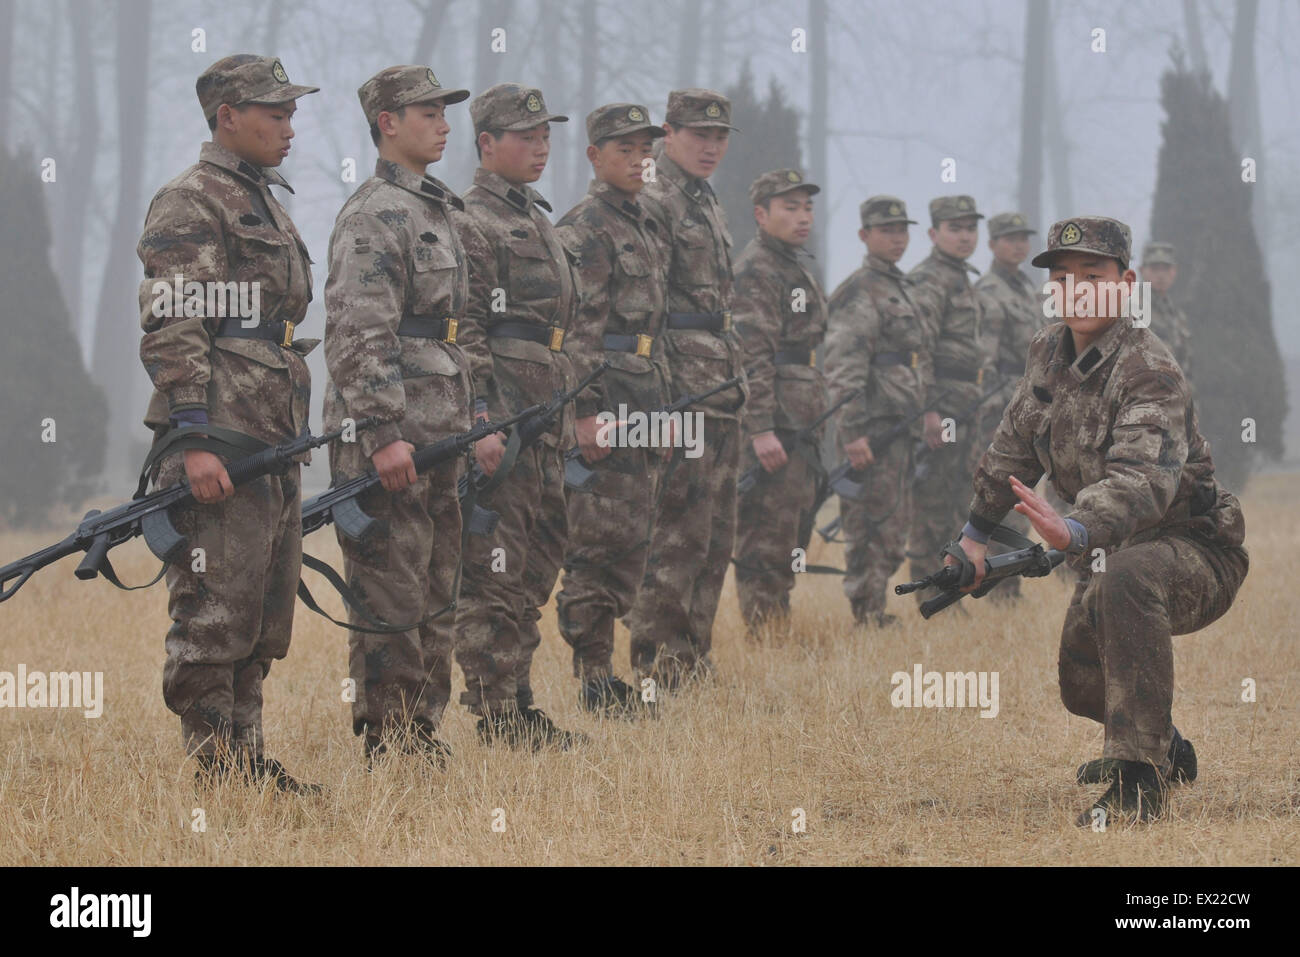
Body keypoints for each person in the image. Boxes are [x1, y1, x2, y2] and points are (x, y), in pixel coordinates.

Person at [949, 216, 1248, 826]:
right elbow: (1010, 447)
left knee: (1127, 578)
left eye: (1093, 275)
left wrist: (1075, 531)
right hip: (1106, 549)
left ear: (1126, 281)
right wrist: (973, 539)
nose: (1076, 289)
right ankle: (1168, 748)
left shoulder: (1150, 370)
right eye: (1062, 277)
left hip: (1194, 547)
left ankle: (1140, 781)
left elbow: (1143, 484)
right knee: (1082, 683)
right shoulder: (1046, 351)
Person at [136, 54, 321, 792]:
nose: (288, 126)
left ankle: (247, 756)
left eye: (291, 113)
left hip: (270, 431)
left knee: (264, 607)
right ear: (226, 117)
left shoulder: (262, 197)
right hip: (224, 432)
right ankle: (215, 769)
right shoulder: (192, 199)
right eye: (273, 113)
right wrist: (193, 435)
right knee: (215, 607)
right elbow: (173, 319)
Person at [322, 65, 473, 767]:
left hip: (439, 431)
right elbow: (359, 331)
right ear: (388, 122)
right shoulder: (374, 213)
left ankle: (421, 730)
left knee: (438, 586)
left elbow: (449, 333)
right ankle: (388, 737)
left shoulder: (433, 208)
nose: (444, 123)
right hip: (393, 436)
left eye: (445, 111)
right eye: (428, 112)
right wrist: (382, 432)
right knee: (391, 588)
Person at [452, 83, 588, 749]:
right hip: (506, 422)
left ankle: (520, 695)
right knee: (495, 572)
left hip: (548, 420)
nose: (540, 146)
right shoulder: (471, 222)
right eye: (524, 135)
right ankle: (496, 711)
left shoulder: (538, 218)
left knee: (536, 567)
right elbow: (466, 326)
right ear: (486, 143)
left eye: (545, 135)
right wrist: (481, 417)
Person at [624, 89, 747, 690]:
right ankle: (658, 662)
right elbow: (646, 305)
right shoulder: (656, 198)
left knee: (714, 536)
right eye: (700, 134)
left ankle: (693, 656)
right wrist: (659, 402)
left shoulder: (707, 200)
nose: (711, 146)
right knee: (675, 532)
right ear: (668, 133)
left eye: (720, 136)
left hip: (720, 386)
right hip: (680, 389)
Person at [553, 104, 671, 716]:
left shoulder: (646, 222)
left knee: (633, 539)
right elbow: (577, 328)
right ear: (595, 157)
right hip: (608, 396)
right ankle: (593, 675)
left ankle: (610, 670)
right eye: (623, 149)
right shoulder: (585, 227)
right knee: (597, 539)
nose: (637, 160)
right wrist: (584, 411)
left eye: (645, 149)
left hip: (647, 394)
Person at [823, 196, 937, 626]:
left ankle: (875, 608)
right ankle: (865, 612)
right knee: (870, 523)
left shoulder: (899, 286)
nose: (896, 238)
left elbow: (914, 358)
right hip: (872, 429)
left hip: (900, 425)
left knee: (894, 524)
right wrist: (851, 431)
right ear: (864, 236)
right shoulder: (859, 290)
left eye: (902, 230)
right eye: (886, 230)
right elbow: (844, 366)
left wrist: (925, 412)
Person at [730, 169, 828, 634]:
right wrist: (761, 428)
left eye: (806, 207)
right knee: (767, 532)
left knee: (790, 529)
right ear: (761, 214)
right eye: (789, 207)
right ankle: (763, 629)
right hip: (776, 426)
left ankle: (775, 622)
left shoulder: (791, 265)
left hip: (800, 422)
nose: (802, 216)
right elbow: (753, 355)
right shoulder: (758, 270)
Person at [905, 195, 985, 608]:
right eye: (955, 228)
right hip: (943, 406)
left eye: (971, 228)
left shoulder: (960, 276)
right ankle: (927, 594)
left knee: (958, 501)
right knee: (932, 505)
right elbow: (919, 350)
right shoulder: (930, 279)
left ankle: (948, 594)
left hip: (965, 404)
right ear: (934, 233)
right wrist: (928, 410)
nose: (965, 236)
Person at [971, 211, 1044, 601]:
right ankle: (999, 589)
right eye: (1009, 238)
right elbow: (983, 363)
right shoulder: (989, 291)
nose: (1018, 244)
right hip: (1002, 409)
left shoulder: (1026, 289)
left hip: (1030, 404)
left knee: (1024, 498)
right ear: (993, 244)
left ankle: (1010, 584)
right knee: (1001, 496)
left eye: (1023, 237)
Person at [1141, 241, 1191, 376]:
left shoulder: (1177, 314)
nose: (1161, 275)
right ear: (1142, 270)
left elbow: (1184, 363)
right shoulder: (1132, 308)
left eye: (1166, 268)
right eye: (1154, 268)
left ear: (1174, 271)